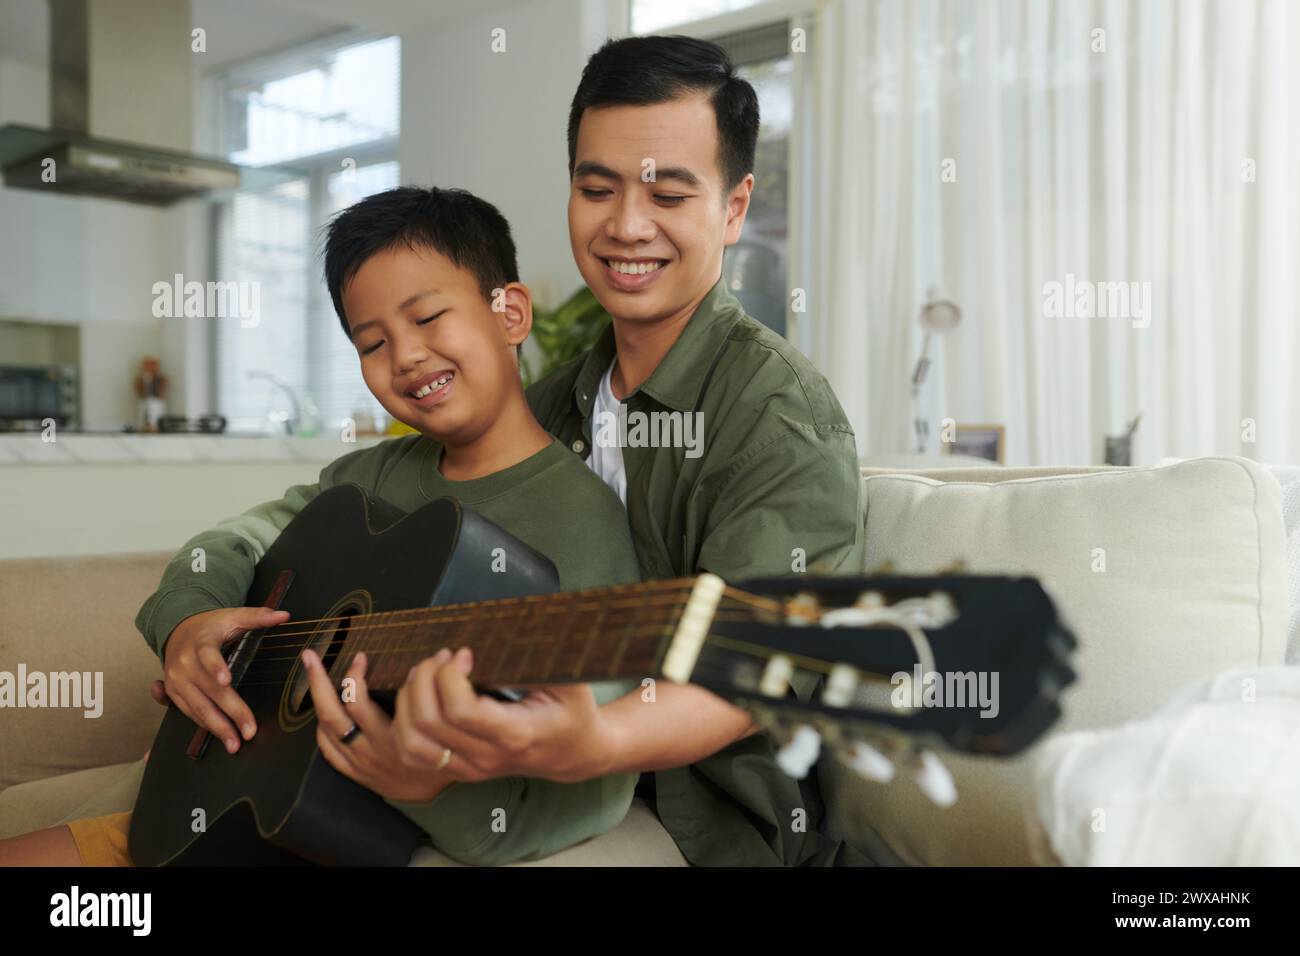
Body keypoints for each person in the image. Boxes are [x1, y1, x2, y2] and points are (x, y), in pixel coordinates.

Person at [0, 185, 643, 867]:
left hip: (295, 829)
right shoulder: (369, 478)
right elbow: (227, 544)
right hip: (203, 789)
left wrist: (431, 785)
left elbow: (586, 785)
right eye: (373, 342)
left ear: (509, 312)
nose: (406, 356)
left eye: (427, 317)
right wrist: (187, 622)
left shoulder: (580, 523)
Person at [397, 36, 871, 866]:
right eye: (597, 188)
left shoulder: (778, 413)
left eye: (668, 193)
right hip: (525, 781)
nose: (625, 225)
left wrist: (588, 742)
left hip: (701, 819)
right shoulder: (548, 405)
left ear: (733, 207)